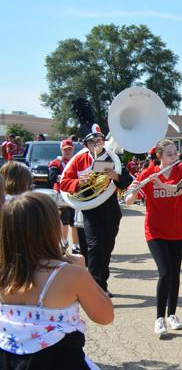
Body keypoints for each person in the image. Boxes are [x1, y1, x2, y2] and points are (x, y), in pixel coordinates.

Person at [0, 192, 128, 370]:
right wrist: (82, 271)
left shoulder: (5, 270)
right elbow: (104, 315)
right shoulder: (68, 273)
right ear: (46, 228)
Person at [60, 98, 133, 296]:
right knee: (94, 248)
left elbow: (127, 181)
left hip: (110, 209)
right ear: (85, 143)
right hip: (90, 210)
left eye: (99, 140)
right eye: (92, 141)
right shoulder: (79, 160)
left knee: (106, 248)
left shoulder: (112, 157)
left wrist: (115, 176)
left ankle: (102, 282)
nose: (96, 144)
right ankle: (95, 287)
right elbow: (63, 184)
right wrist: (80, 182)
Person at [124, 140, 182, 337]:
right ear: (160, 156)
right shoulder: (148, 173)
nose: (174, 157)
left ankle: (172, 314)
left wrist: (169, 187)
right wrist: (135, 188)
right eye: (170, 154)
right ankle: (159, 318)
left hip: (179, 229)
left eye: (175, 153)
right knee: (165, 272)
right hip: (156, 231)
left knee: (175, 274)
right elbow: (129, 200)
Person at [49, 138, 80, 252]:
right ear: (61, 150)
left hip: (75, 195)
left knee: (75, 222)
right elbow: (52, 177)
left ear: (72, 150)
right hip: (62, 196)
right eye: (65, 149)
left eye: (69, 149)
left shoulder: (75, 161)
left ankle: (76, 246)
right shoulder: (56, 162)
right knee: (64, 222)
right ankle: (63, 244)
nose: (67, 152)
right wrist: (67, 179)